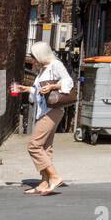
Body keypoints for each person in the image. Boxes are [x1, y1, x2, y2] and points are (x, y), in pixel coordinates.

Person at [17, 41, 74, 196]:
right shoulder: (44, 69)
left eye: (35, 56)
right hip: (44, 111)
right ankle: (44, 183)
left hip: (52, 110)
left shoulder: (56, 64)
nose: (34, 60)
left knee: (34, 146)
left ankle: (55, 177)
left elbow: (68, 81)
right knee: (45, 148)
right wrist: (27, 89)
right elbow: (38, 91)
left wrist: (53, 87)